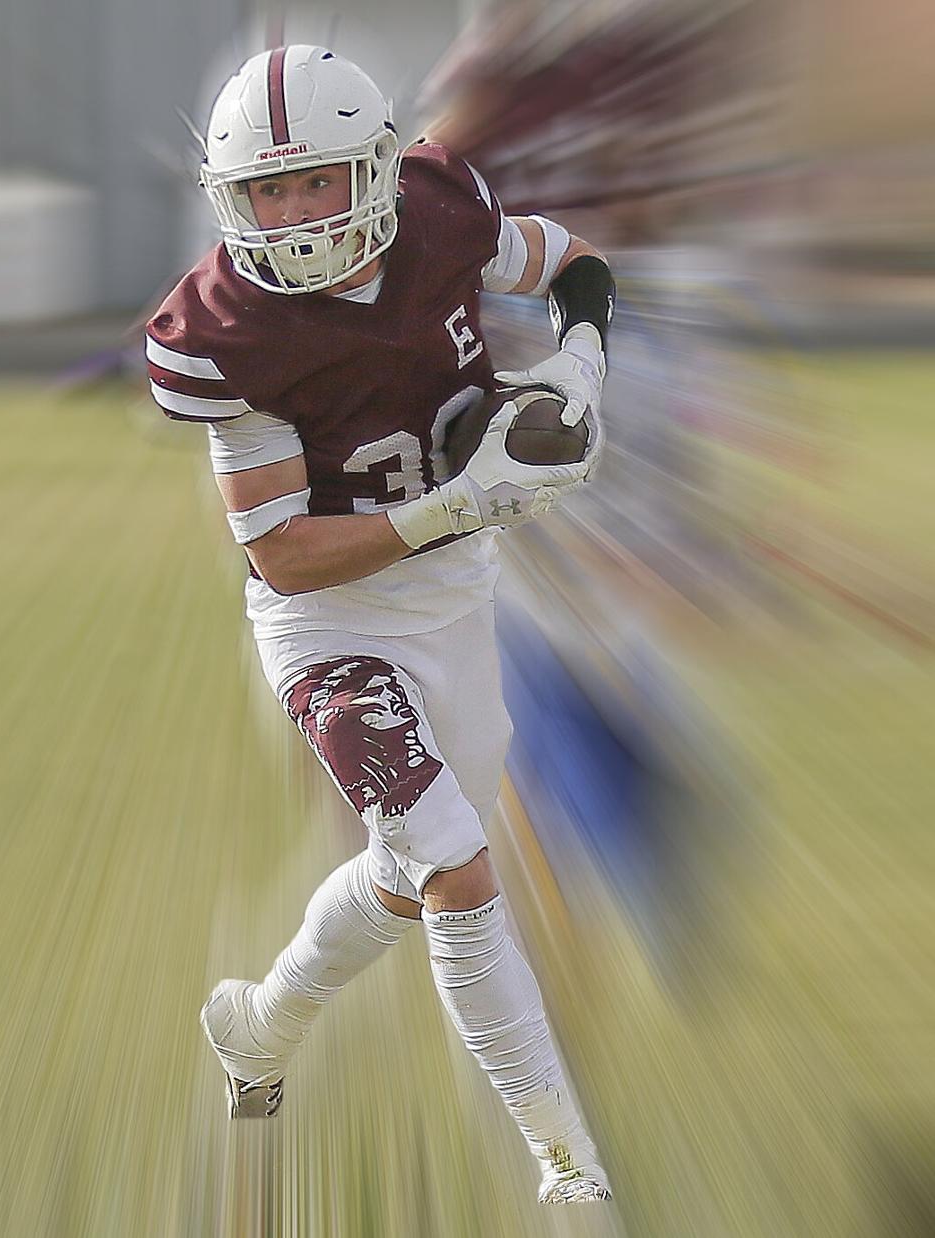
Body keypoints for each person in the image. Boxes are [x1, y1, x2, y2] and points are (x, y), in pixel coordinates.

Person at [146, 44, 616, 1205]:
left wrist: (583, 371)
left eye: (316, 181)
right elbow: (284, 556)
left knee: (408, 874)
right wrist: (458, 500)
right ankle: (568, 1166)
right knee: (457, 866)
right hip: (331, 625)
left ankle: (259, 1023)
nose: (295, 213)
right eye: (269, 188)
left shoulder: (442, 207)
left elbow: (577, 265)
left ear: (375, 169)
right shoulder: (225, 332)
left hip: (456, 596)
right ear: (229, 198)